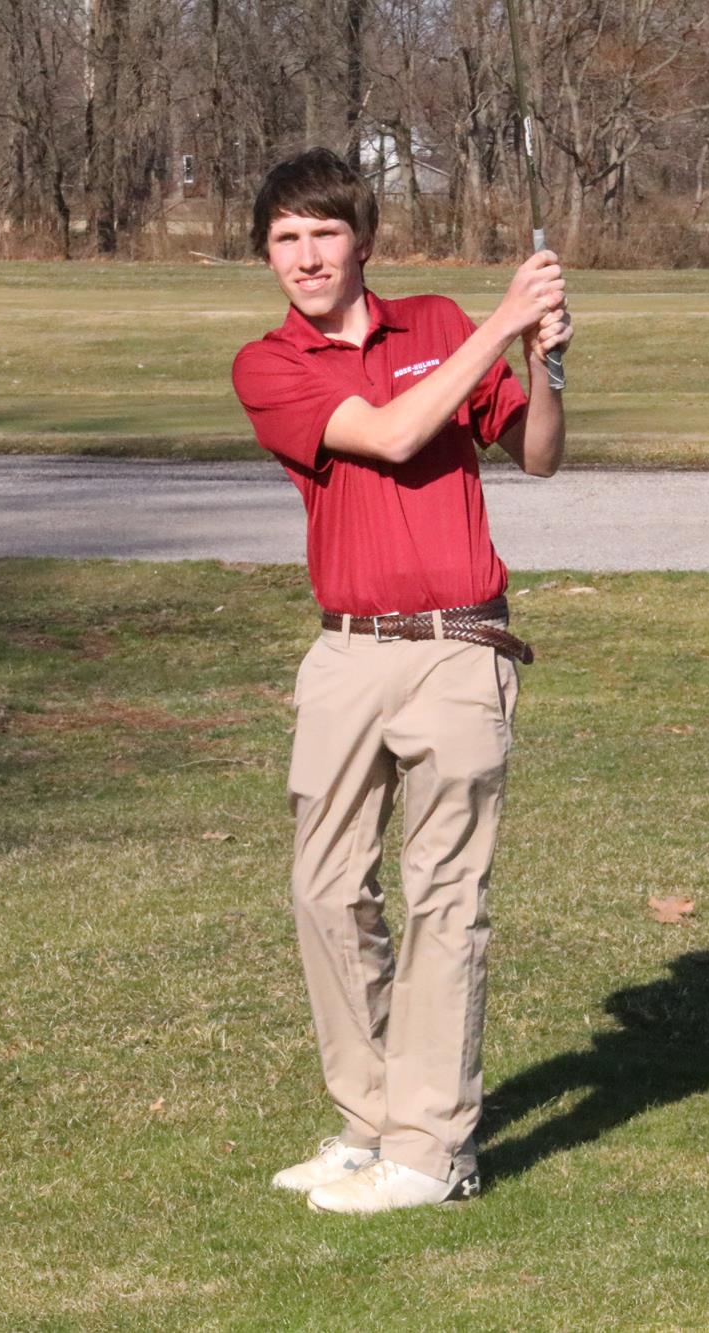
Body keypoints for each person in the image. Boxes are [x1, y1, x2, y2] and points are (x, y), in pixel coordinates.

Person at [230, 147, 572, 1214]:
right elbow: (387, 435)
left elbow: (540, 455)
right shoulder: (268, 364)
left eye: (322, 234)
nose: (304, 256)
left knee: (442, 901)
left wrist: (548, 361)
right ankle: (369, 1119)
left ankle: (428, 1151)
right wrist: (502, 324)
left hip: (458, 649)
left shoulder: (432, 324)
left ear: (361, 241)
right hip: (344, 654)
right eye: (284, 239)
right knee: (325, 892)